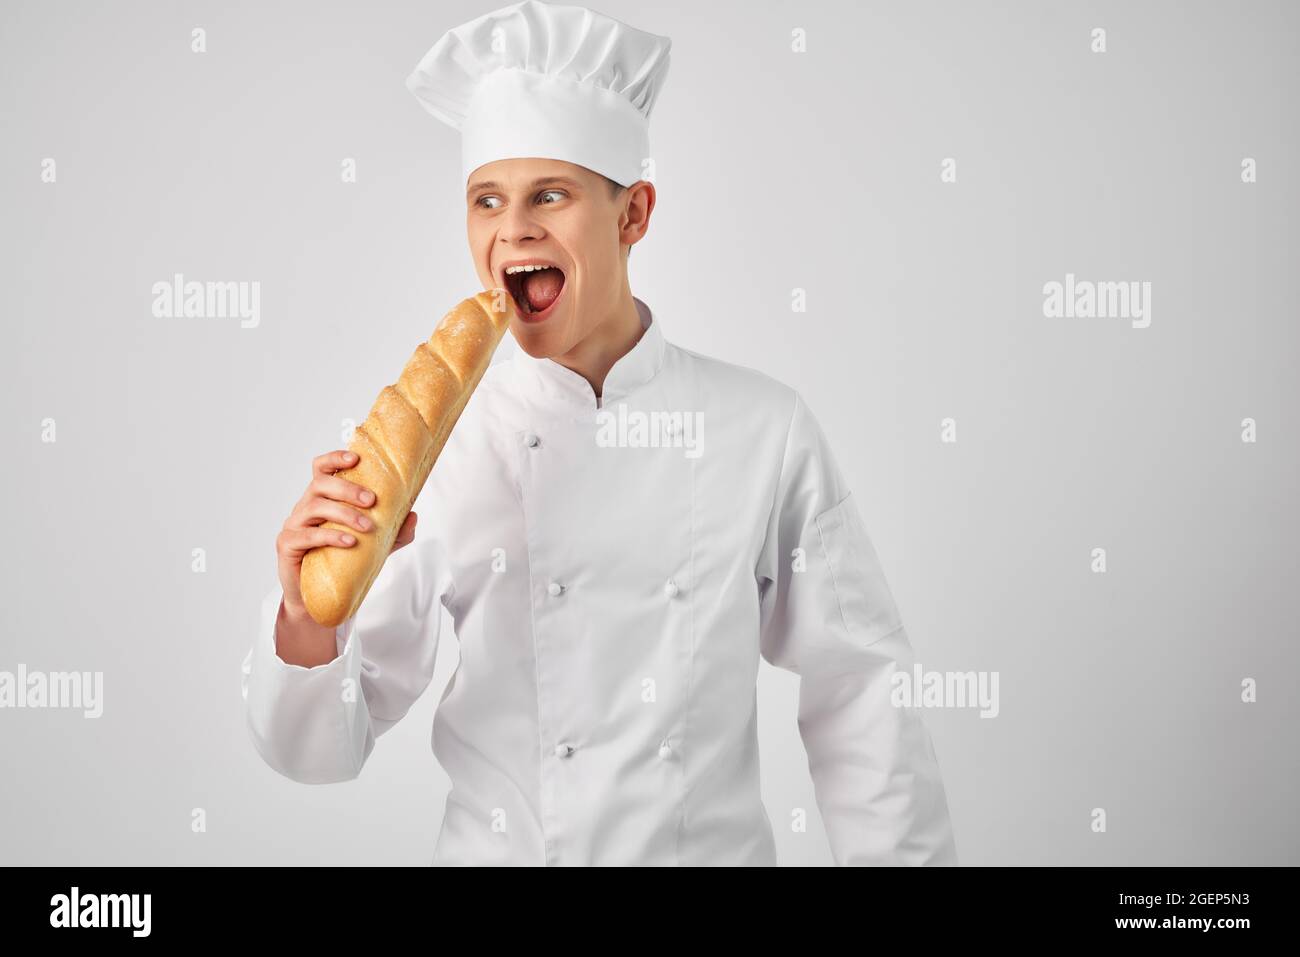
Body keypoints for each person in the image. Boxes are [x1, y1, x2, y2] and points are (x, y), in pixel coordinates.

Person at [241, 0, 958, 867]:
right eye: (486, 200)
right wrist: (304, 619)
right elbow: (321, 750)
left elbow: (863, 692)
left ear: (634, 214)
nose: (513, 230)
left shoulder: (763, 429)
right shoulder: (440, 452)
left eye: (550, 194)